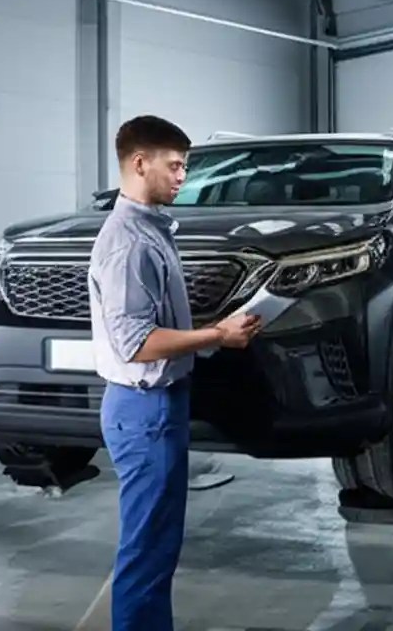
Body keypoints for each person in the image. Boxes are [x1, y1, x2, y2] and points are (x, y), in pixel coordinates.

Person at [89, 116, 262, 630]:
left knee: (159, 548)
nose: (182, 175)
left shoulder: (152, 229)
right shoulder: (128, 244)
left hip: (161, 406)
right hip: (144, 412)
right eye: (175, 165)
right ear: (139, 163)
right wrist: (218, 334)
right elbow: (137, 343)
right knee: (145, 553)